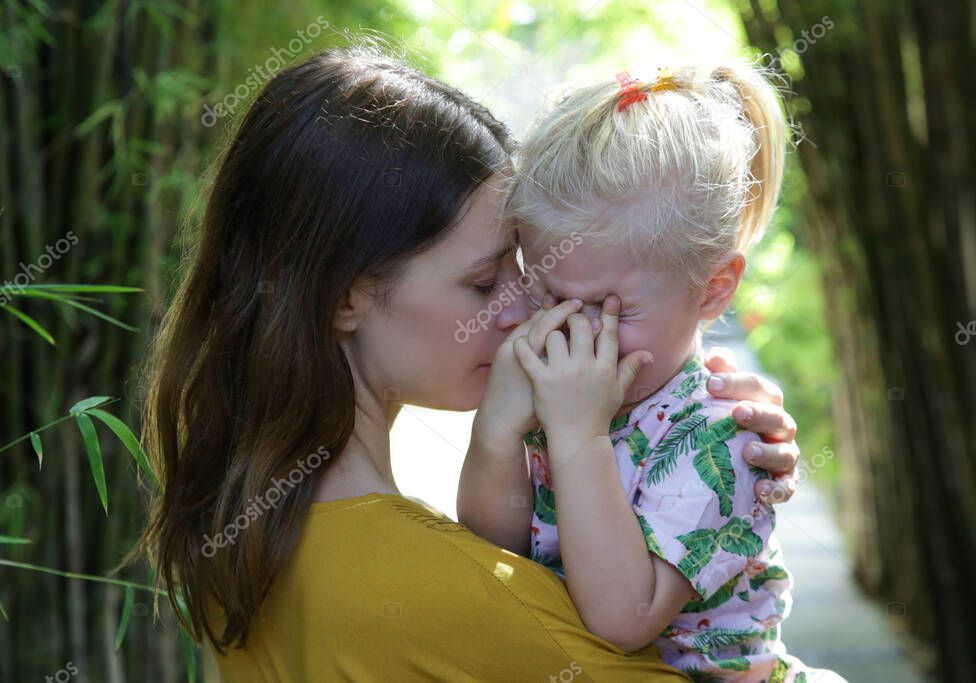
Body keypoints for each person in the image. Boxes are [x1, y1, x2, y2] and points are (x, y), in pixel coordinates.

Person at [138, 43, 802, 681]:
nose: (525, 314)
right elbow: (518, 563)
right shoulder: (436, 595)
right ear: (346, 295)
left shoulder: (245, 539)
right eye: (486, 284)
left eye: (525, 273)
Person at [460, 62, 843, 681]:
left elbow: (622, 616)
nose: (578, 330)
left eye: (612, 309)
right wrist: (498, 430)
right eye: (549, 292)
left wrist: (579, 436)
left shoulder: (723, 440)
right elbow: (493, 551)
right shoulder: (569, 385)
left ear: (713, 291)